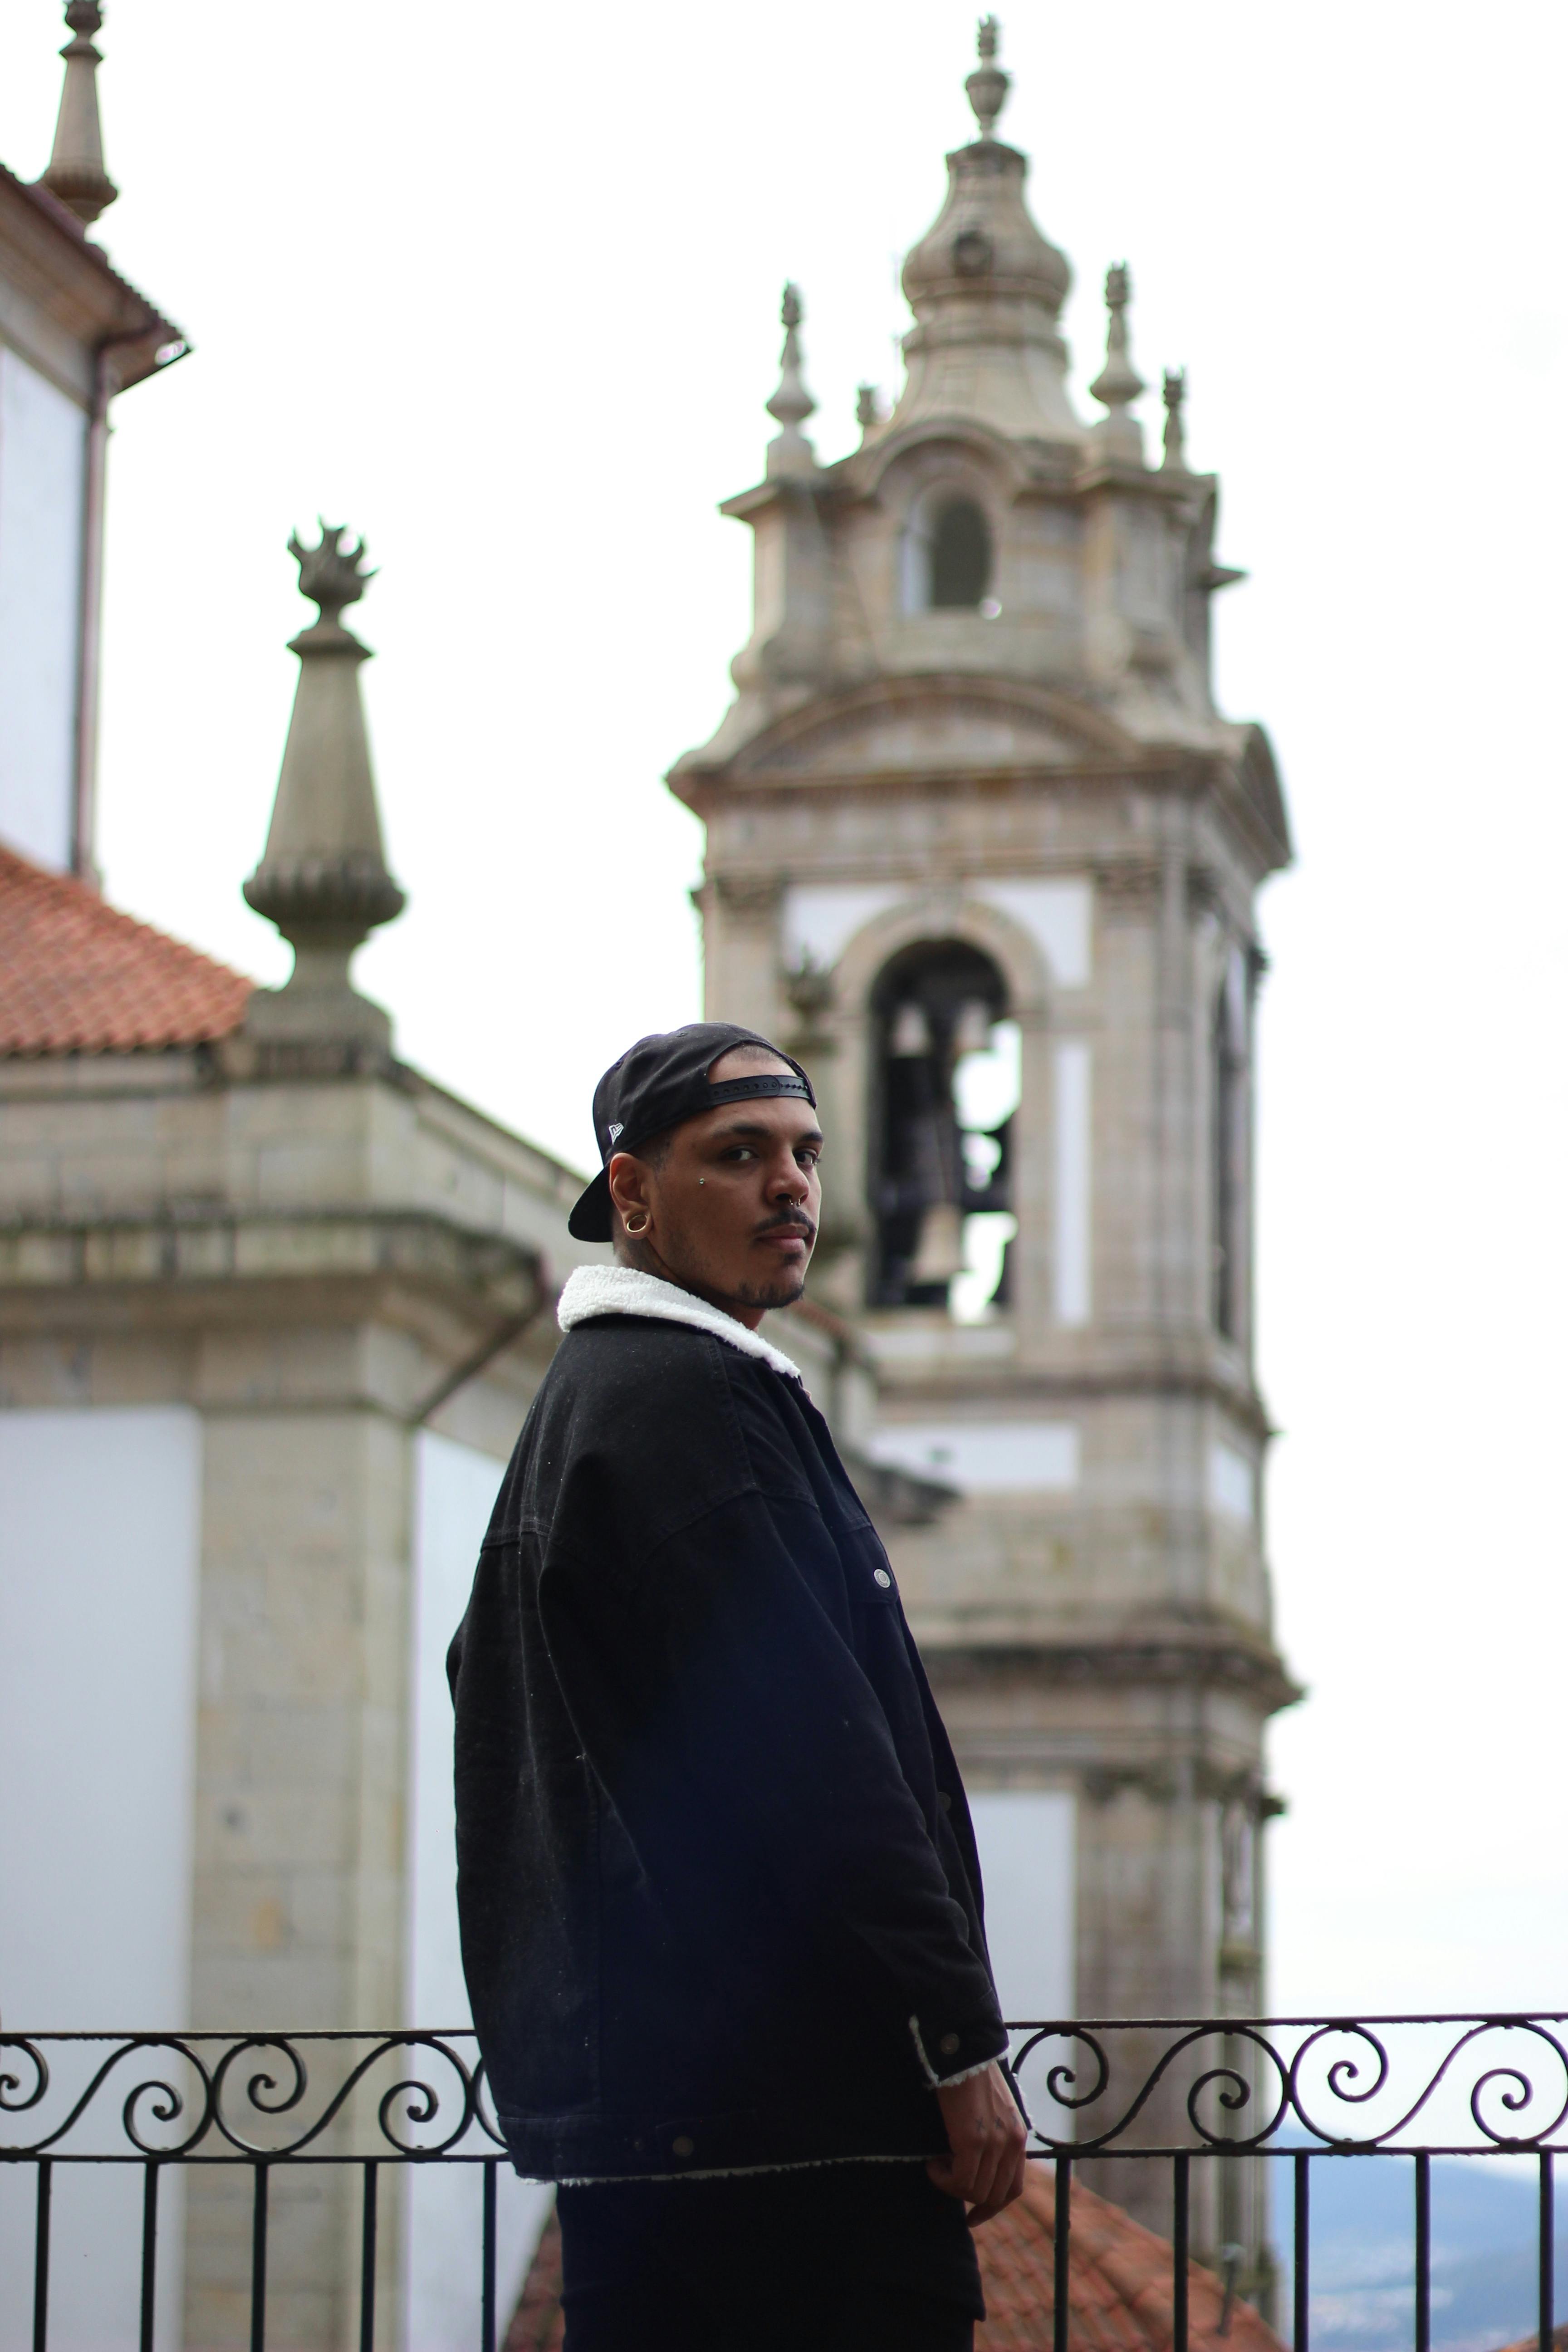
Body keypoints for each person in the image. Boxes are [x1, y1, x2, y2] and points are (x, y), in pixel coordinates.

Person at [448, 1022, 1028, 2352]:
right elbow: (819, 1763)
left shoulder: (593, 1408)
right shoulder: (686, 1408)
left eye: (808, 1154)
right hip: (787, 2148)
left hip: (658, 2139)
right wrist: (955, 2041)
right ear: (633, 1196)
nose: (793, 1187)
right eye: (741, 1154)